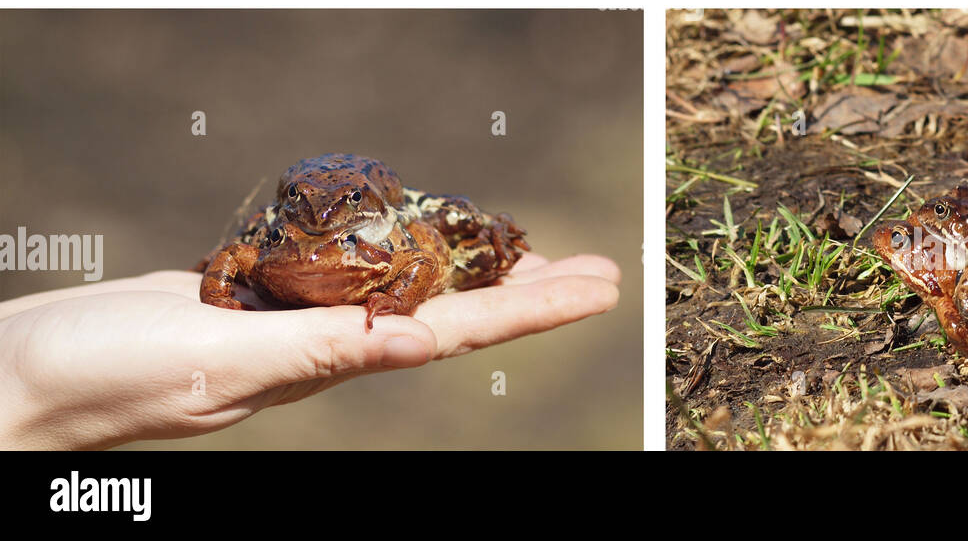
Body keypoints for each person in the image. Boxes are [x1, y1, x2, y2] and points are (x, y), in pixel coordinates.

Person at [0, 252, 619, 448]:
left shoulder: (384, 246)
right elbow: (232, 259)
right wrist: (219, 297)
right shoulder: (268, 242)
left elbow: (419, 261)